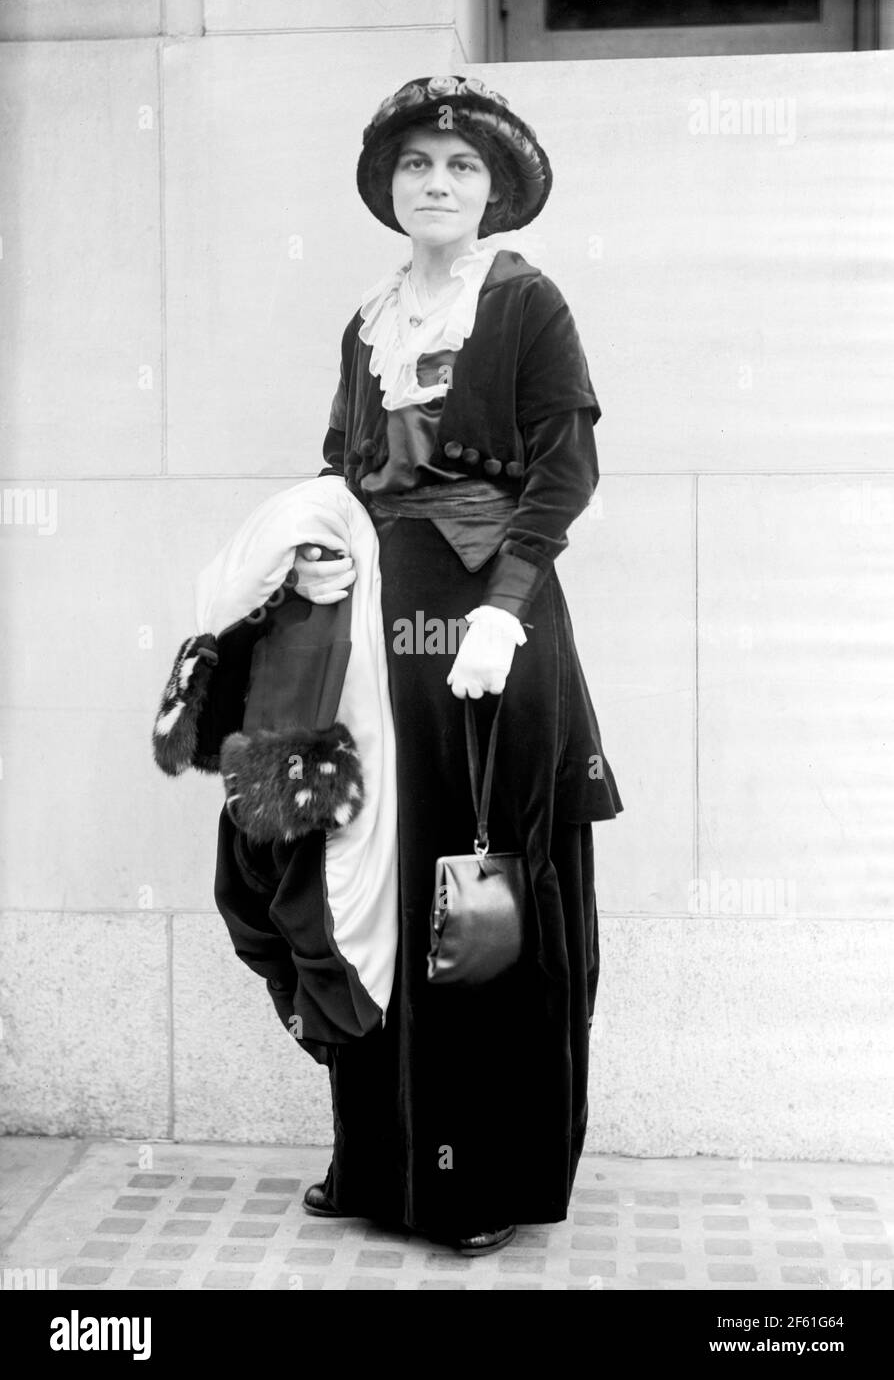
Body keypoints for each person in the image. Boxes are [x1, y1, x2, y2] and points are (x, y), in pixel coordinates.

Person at [293, 75, 623, 1256]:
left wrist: (505, 610)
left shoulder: (528, 305)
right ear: (390, 185)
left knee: (475, 890)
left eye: (461, 167)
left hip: (492, 632)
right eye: (419, 165)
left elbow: (565, 471)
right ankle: (382, 1159)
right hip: (384, 634)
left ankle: (477, 1172)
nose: (437, 183)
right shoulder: (366, 322)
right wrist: (322, 563)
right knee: (375, 877)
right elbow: (343, 467)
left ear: (495, 189)